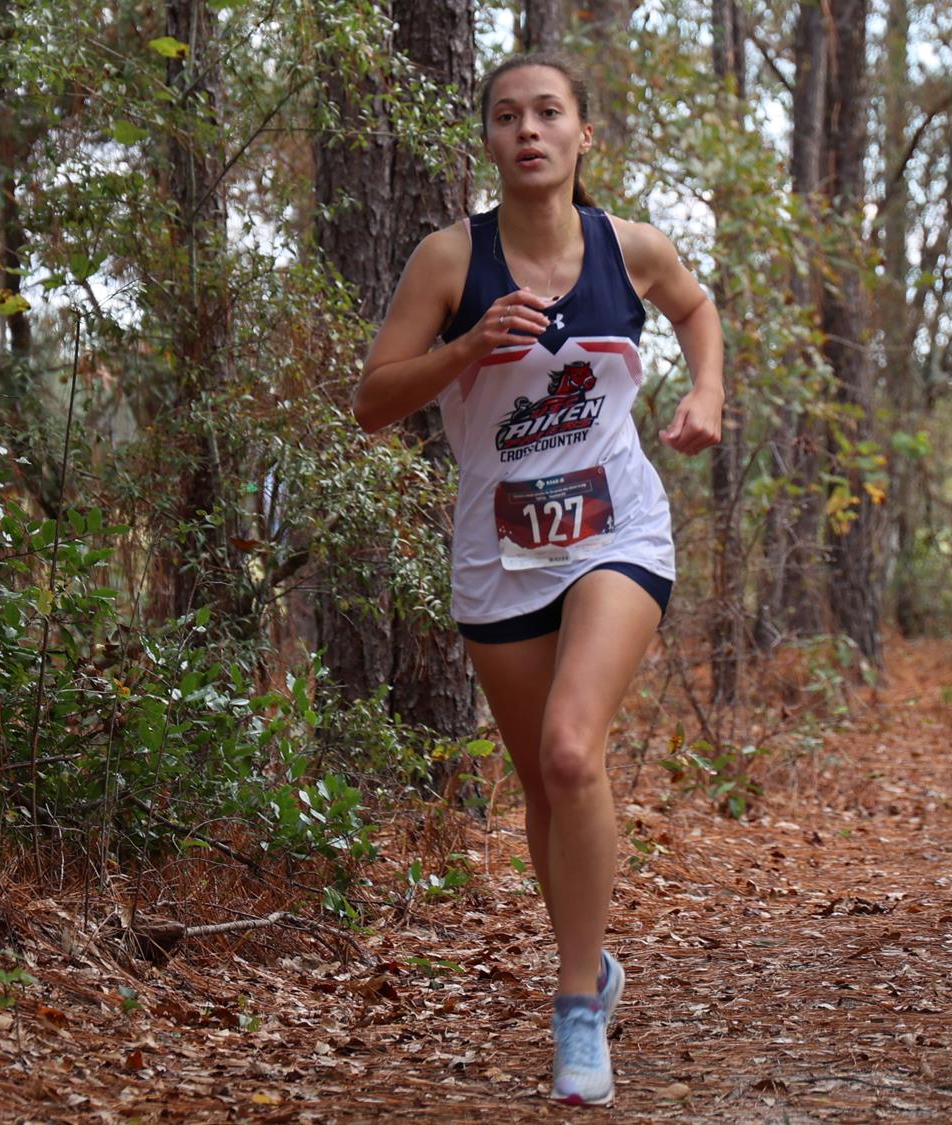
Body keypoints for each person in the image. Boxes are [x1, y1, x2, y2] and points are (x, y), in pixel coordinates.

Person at [351, 54, 723, 1107]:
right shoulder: (448, 259)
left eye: (548, 112)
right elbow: (372, 402)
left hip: (617, 534)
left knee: (570, 750)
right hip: (499, 552)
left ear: (581, 135)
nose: (528, 130)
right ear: (488, 140)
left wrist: (706, 392)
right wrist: (467, 346)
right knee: (543, 785)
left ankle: (574, 1011)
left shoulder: (629, 248)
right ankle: (589, 964)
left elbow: (697, 309)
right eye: (508, 115)